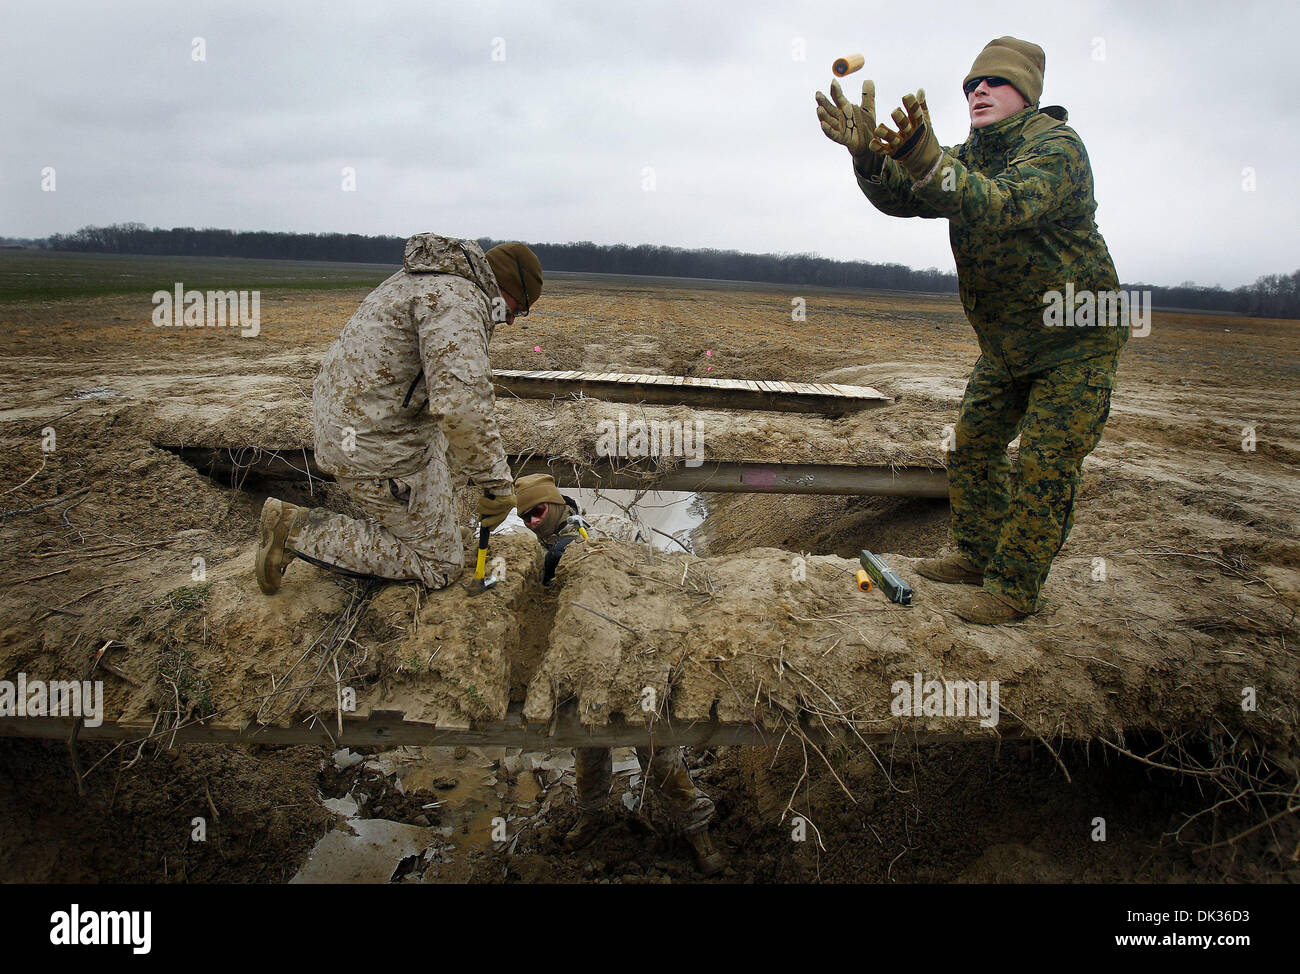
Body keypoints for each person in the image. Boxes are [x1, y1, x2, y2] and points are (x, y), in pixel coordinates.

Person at [816, 36, 1128, 624]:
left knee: (1045, 461)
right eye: (969, 85)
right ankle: (978, 556)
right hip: (1009, 344)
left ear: (1027, 93)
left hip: (1076, 338)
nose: (977, 91)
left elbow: (1000, 202)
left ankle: (1013, 589)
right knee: (970, 445)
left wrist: (929, 159)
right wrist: (871, 159)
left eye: (994, 82)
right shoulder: (970, 154)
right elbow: (908, 197)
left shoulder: (1056, 149)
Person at [255, 233, 542, 594]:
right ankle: (296, 529)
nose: (513, 320)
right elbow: (461, 406)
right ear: (507, 287)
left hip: (366, 422)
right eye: (521, 307)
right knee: (441, 566)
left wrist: (475, 474)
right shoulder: (458, 302)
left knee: (449, 453)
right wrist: (498, 486)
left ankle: (433, 526)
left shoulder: (431, 279)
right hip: (373, 443)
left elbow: (448, 407)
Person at [514, 473, 724, 875]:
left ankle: (696, 827)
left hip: (634, 660)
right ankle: (592, 816)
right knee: (587, 748)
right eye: (524, 518)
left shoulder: (612, 528)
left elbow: (659, 576)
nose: (531, 523)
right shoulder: (535, 553)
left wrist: (594, 559)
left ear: (555, 504)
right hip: (583, 669)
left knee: (657, 749)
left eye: (536, 512)